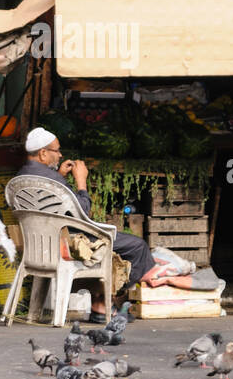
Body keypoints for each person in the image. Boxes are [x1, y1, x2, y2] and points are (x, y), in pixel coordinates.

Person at [18, 126, 166, 315]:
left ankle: (100, 301)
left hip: (40, 246)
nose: (61, 155)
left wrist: (60, 177)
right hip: (67, 242)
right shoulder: (52, 179)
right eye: (57, 150)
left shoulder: (22, 176)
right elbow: (83, 213)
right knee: (137, 247)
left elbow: (47, 203)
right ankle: (103, 302)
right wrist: (81, 182)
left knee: (115, 244)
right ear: (43, 153)